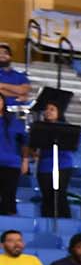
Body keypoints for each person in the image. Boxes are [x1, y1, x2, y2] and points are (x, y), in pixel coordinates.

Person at [28, 102, 77, 218]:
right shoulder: (38, 127)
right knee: (47, 196)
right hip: (44, 166)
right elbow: (32, 149)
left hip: (63, 164)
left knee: (59, 194)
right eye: (46, 109)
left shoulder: (66, 128)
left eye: (52, 109)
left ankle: (64, 220)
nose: (48, 112)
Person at [0, 44, 30, 215]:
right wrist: (15, 93)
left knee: (9, 199)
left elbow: (25, 91)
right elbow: (19, 93)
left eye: (5, 52)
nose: (2, 55)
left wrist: (2, 87)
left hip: (10, 163)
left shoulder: (19, 76)